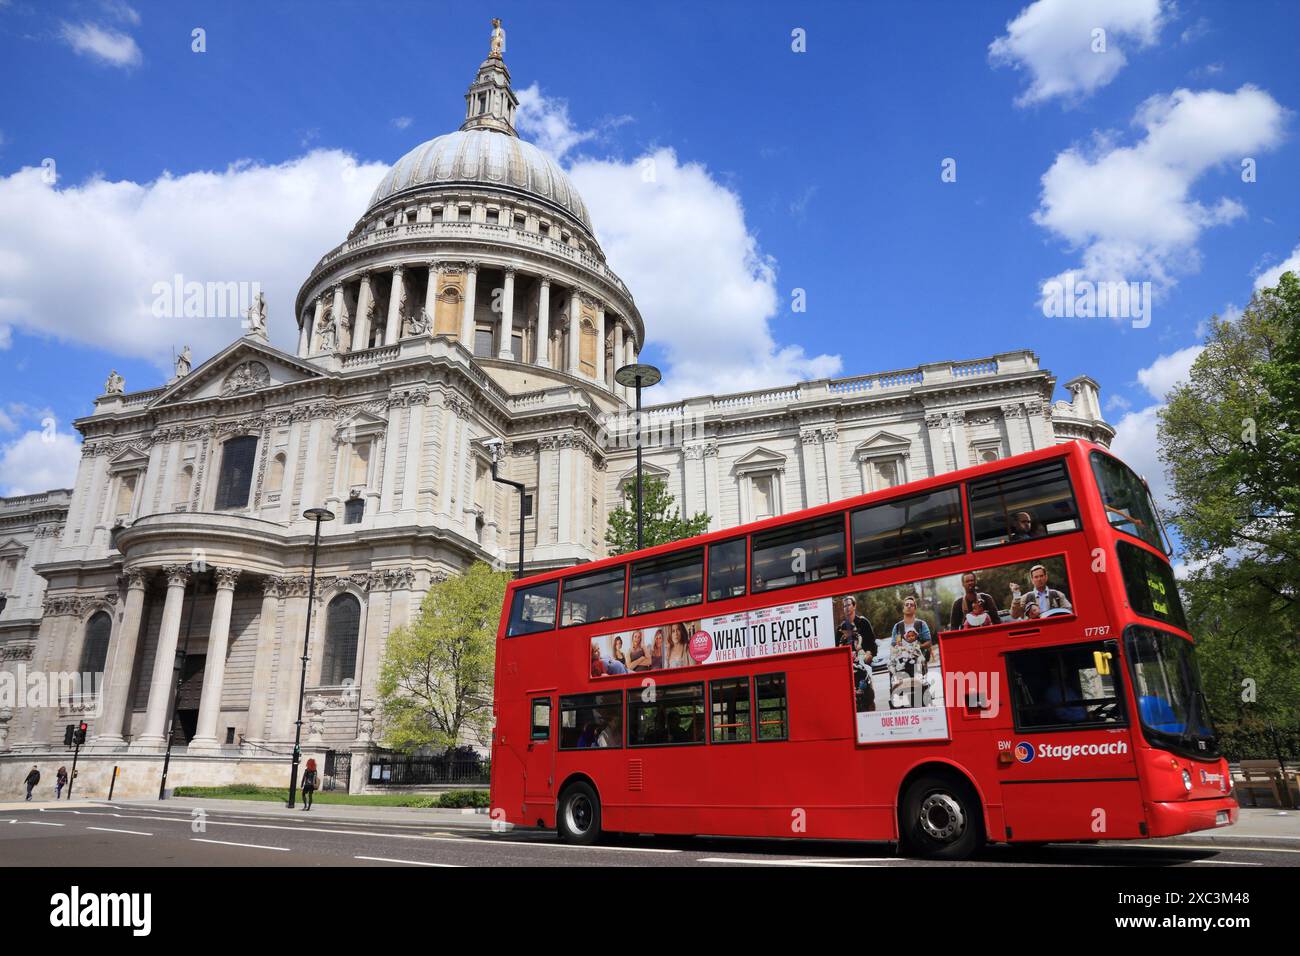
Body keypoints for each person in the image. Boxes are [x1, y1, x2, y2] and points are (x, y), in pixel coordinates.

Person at [837, 596, 877, 710]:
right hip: (848, 665)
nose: (846, 608)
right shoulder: (840, 628)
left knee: (869, 695)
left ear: (854, 606)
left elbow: (871, 643)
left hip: (863, 660)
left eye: (849, 605)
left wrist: (869, 654)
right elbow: (837, 648)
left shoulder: (863, 622)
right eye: (844, 606)